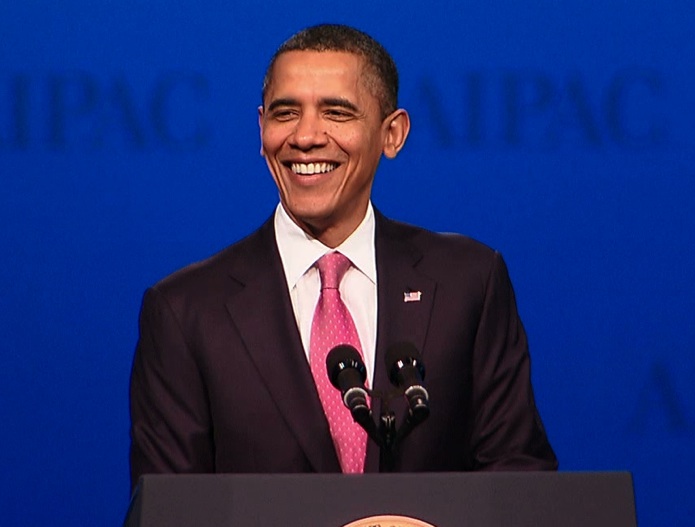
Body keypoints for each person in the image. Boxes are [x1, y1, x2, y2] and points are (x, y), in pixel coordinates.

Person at [129, 23, 557, 492]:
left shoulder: (467, 283)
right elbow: (172, 510)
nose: (306, 136)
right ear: (261, 128)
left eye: (336, 112)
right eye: (285, 112)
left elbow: (519, 484)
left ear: (392, 134)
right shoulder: (186, 311)